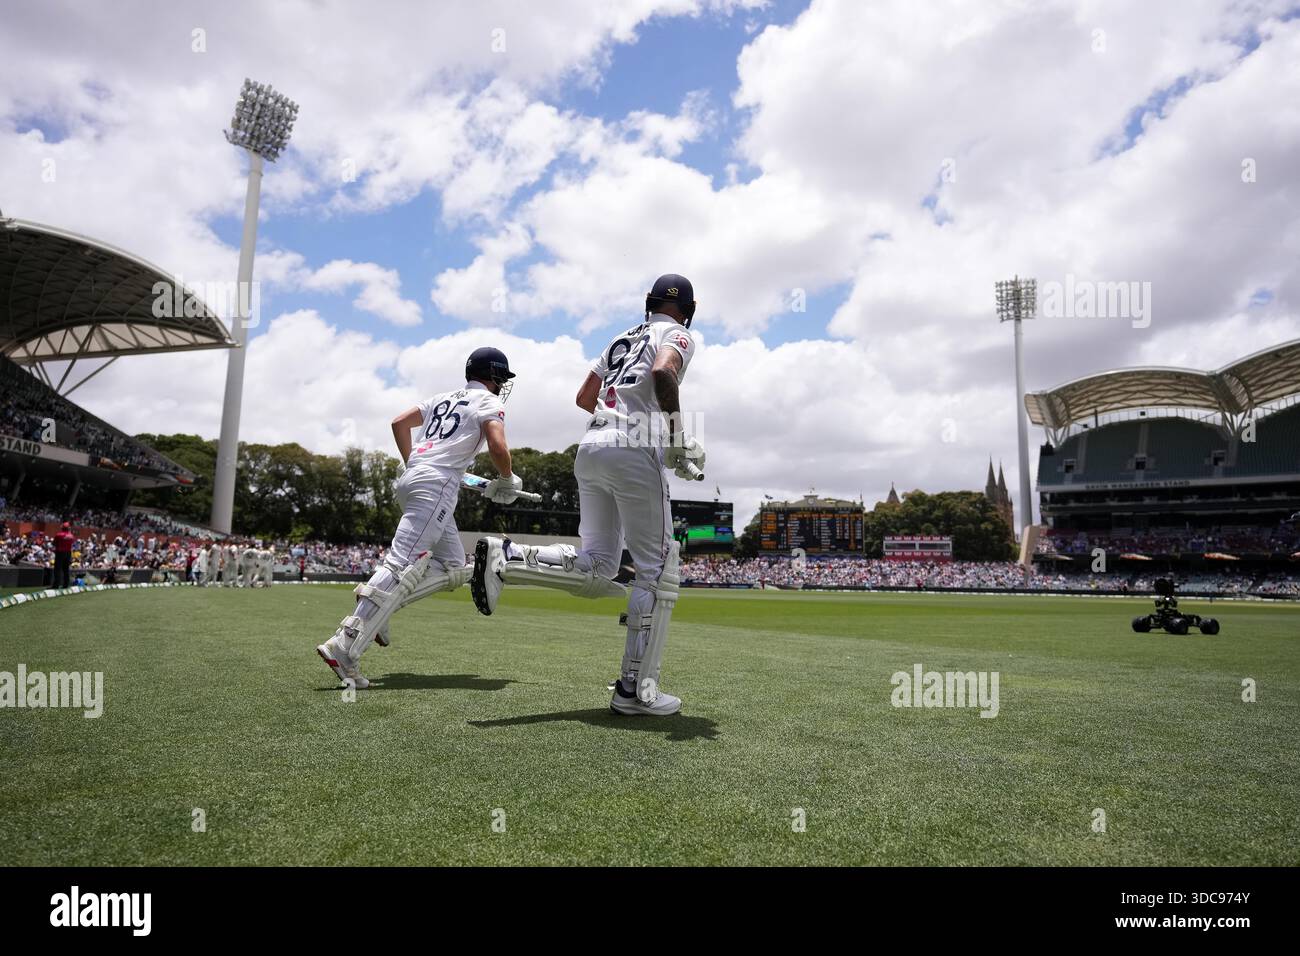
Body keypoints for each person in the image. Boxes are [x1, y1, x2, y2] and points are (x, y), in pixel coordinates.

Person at [471, 275, 706, 716]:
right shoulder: (676, 334)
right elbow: (662, 371)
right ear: (687, 309)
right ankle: (635, 692)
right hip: (634, 449)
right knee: (657, 570)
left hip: (592, 445)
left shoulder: (620, 337)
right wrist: (673, 435)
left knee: (599, 565)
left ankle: (509, 557)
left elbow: (585, 397)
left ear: (648, 303)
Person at [315, 346, 524, 689]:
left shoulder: (441, 398)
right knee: (400, 564)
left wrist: (415, 462)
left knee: (455, 565)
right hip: (436, 486)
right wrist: (506, 478)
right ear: (496, 376)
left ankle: (377, 606)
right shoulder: (488, 402)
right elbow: (498, 447)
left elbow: (399, 422)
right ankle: (345, 643)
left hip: (414, 480)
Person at [53, 521, 76, 588]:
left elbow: (54, 543)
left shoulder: (59, 535)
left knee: (57, 569)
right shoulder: (71, 536)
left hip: (60, 552)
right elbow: (72, 543)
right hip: (68, 553)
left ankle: (56, 585)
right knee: (66, 569)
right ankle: (66, 584)